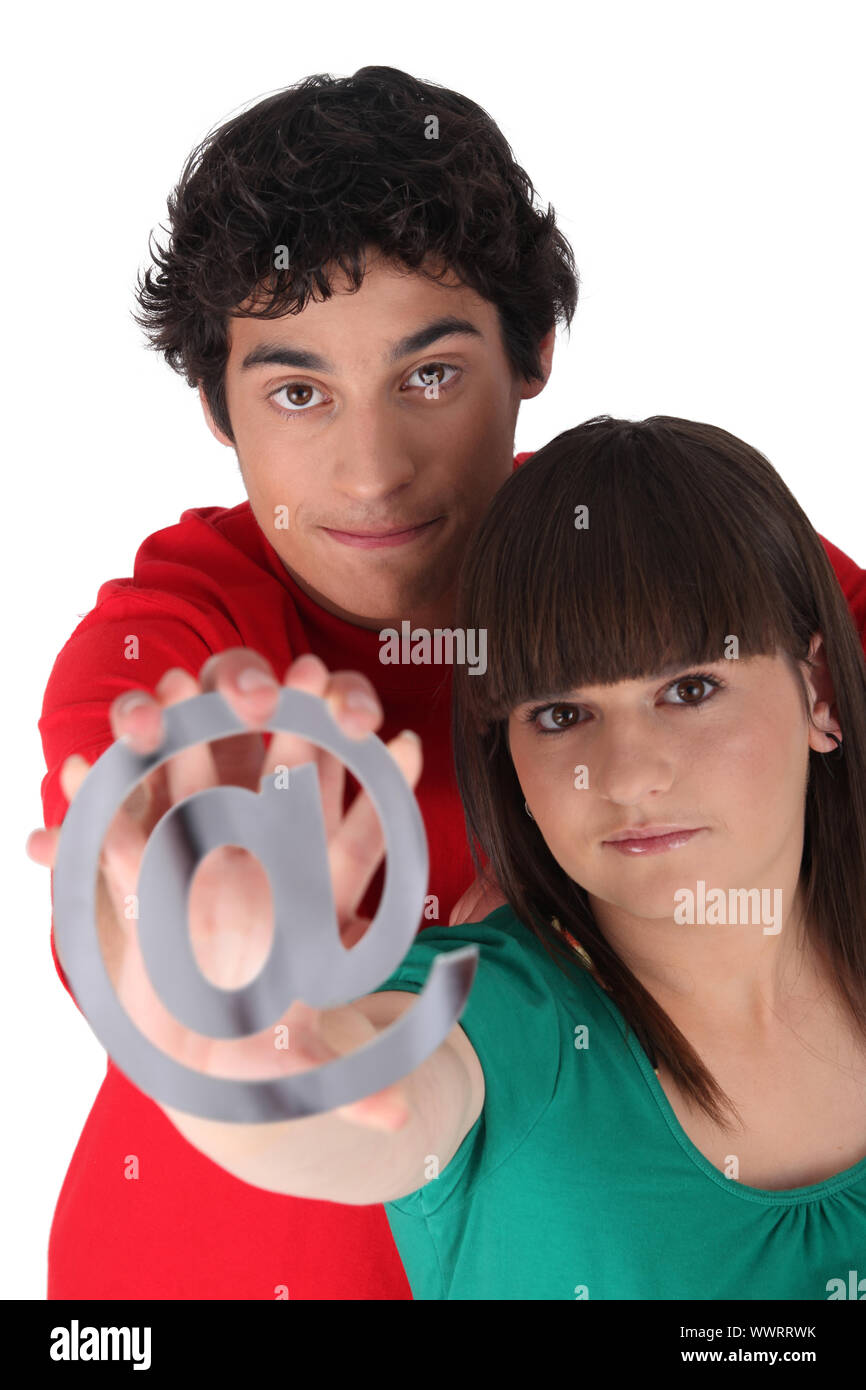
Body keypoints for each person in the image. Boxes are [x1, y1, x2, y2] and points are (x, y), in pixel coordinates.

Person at [27, 69, 865, 1302]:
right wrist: (203, 967)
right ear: (218, 409)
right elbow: (148, 857)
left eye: (427, 375)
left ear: (530, 355)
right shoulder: (181, 633)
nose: (371, 474)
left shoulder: (655, 557)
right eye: (297, 391)